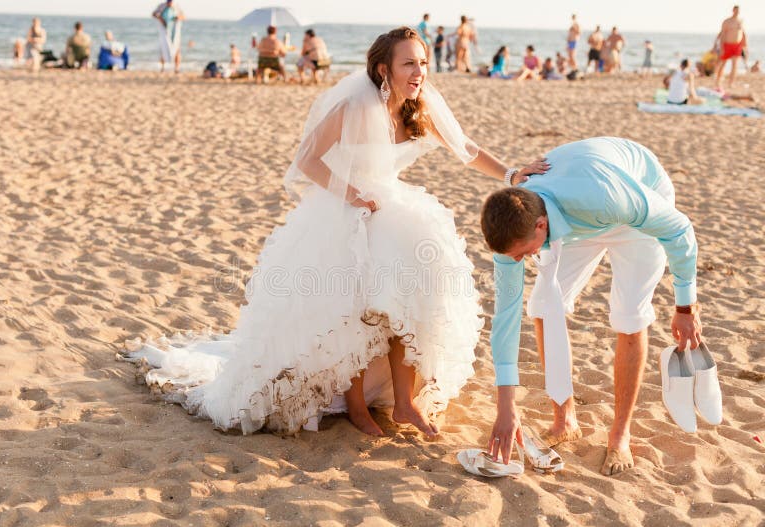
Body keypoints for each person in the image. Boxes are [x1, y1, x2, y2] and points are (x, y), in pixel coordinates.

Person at [124, 26, 549, 440]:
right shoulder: (355, 105)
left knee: (414, 293)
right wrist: (353, 195)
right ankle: (357, 405)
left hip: (394, 208)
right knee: (356, 305)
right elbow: (306, 159)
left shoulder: (420, 105)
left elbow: (467, 148)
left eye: (422, 63)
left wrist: (512, 173)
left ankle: (404, 401)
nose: (419, 72)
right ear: (384, 70)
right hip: (348, 209)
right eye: (408, 64)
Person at [481, 136, 701, 476]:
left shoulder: (609, 198)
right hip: (578, 217)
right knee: (540, 306)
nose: (523, 261)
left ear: (540, 225)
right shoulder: (513, 233)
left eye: (525, 253)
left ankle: (619, 435)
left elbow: (679, 229)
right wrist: (506, 407)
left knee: (628, 316)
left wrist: (685, 306)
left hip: (632, 206)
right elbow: (506, 317)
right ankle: (564, 420)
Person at [715, 5, 747, 90]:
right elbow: (722, 34)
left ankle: (731, 83)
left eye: (738, 11)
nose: (737, 12)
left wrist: (745, 44)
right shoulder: (727, 21)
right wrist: (721, 47)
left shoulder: (740, 21)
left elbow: (743, 32)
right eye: (735, 10)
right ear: (733, 10)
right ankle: (718, 81)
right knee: (723, 64)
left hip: (737, 46)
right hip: (727, 45)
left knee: (735, 65)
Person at [152, 0, 185, 74]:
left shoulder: (176, 6)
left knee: (177, 50)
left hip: (174, 31)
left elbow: (183, 16)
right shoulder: (162, 6)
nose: (169, 2)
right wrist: (160, 18)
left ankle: (176, 68)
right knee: (164, 49)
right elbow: (154, 14)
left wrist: (178, 17)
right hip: (165, 31)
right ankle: (162, 68)